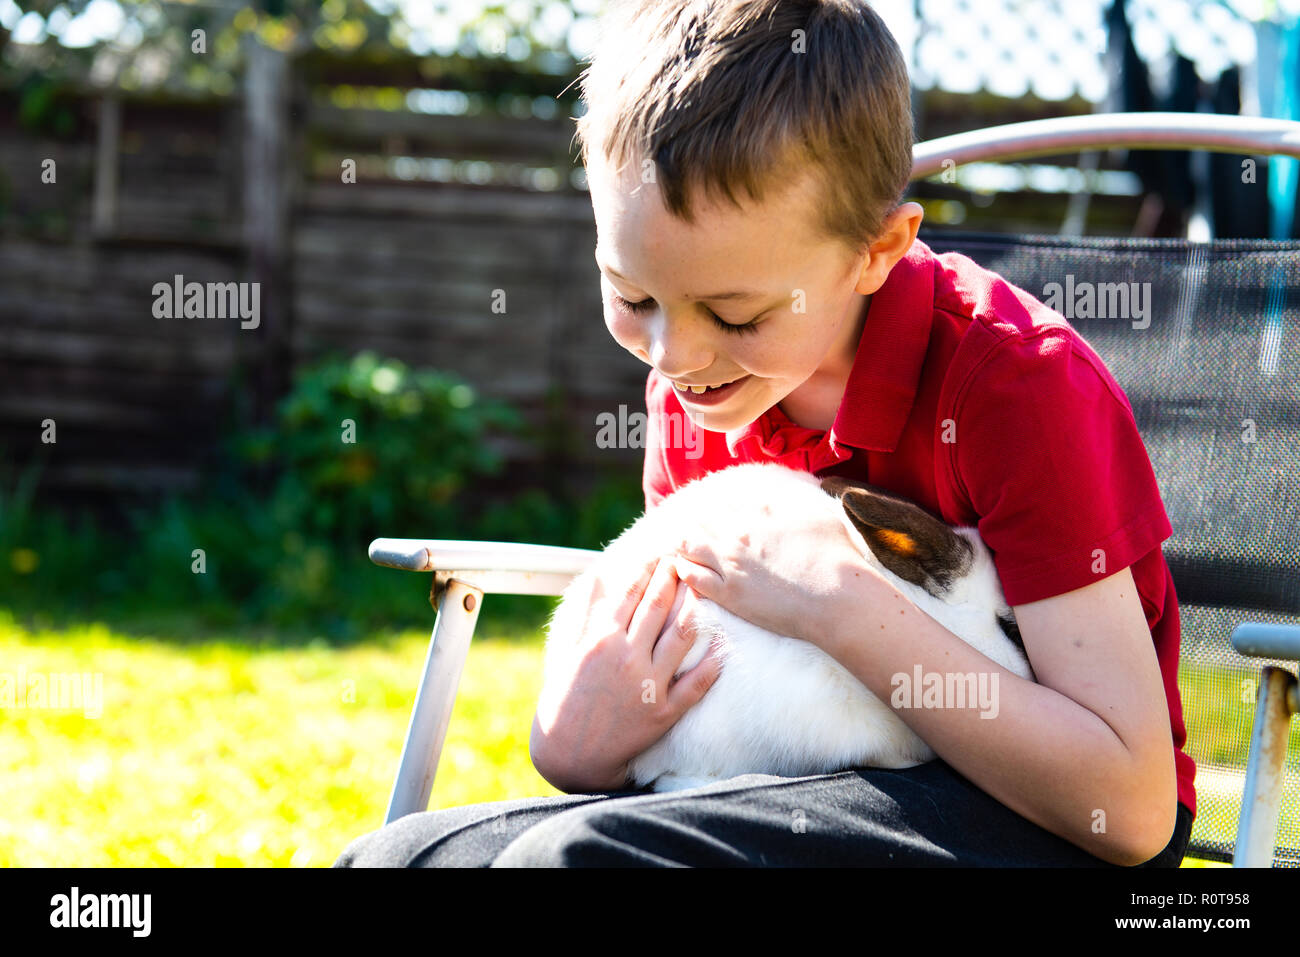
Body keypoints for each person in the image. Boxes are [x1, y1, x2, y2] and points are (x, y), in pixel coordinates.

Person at [334, 0, 1195, 867]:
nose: (675, 356)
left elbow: (1126, 807)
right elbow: (679, 679)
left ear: (875, 251)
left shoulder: (1013, 386)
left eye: (736, 314)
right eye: (633, 298)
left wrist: (838, 605)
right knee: (399, 856)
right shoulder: (705, 390)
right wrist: (574, 740)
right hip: (778, 778)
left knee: (581, 858)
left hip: (1037, 820)